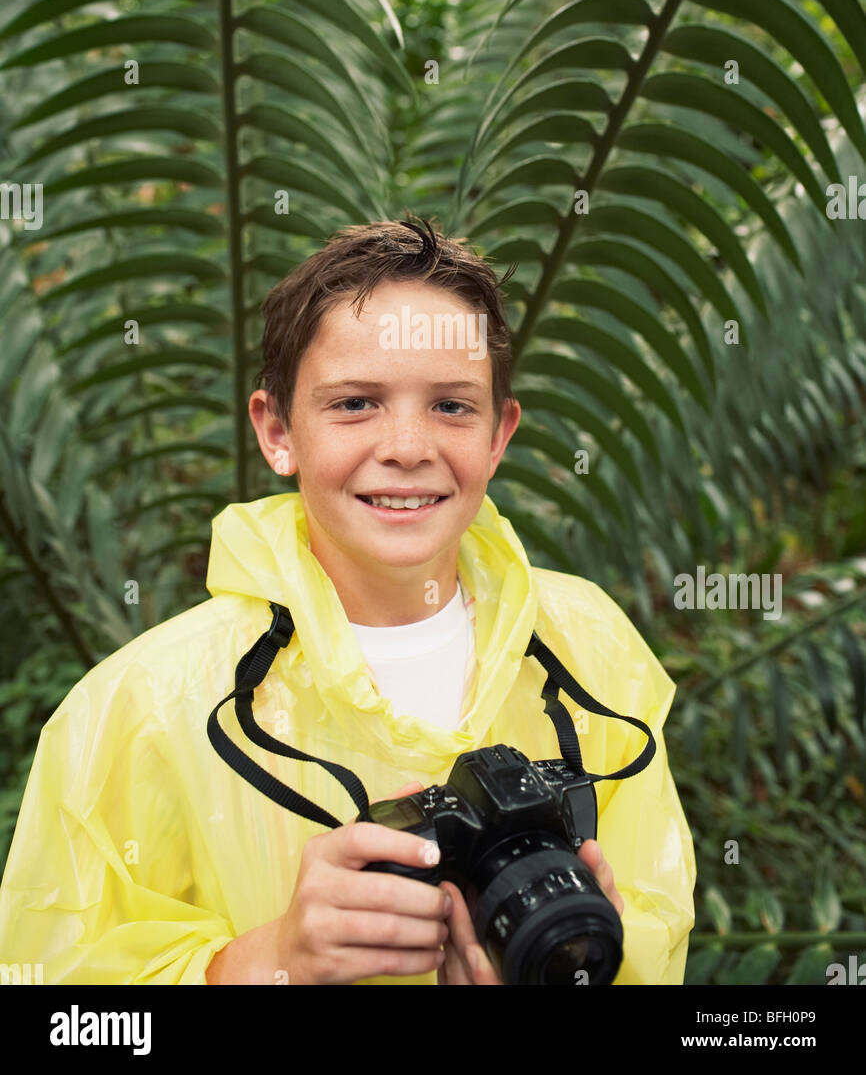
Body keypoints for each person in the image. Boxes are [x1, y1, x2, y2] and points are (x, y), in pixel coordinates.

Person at [0, 217, 696, 985]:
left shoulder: (586, 647)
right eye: (356, 403)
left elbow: (654, 925)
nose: (406, 446)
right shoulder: (137, 709)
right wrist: (267, 963)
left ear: (500, 434)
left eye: (452, 407)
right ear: (277, 432)